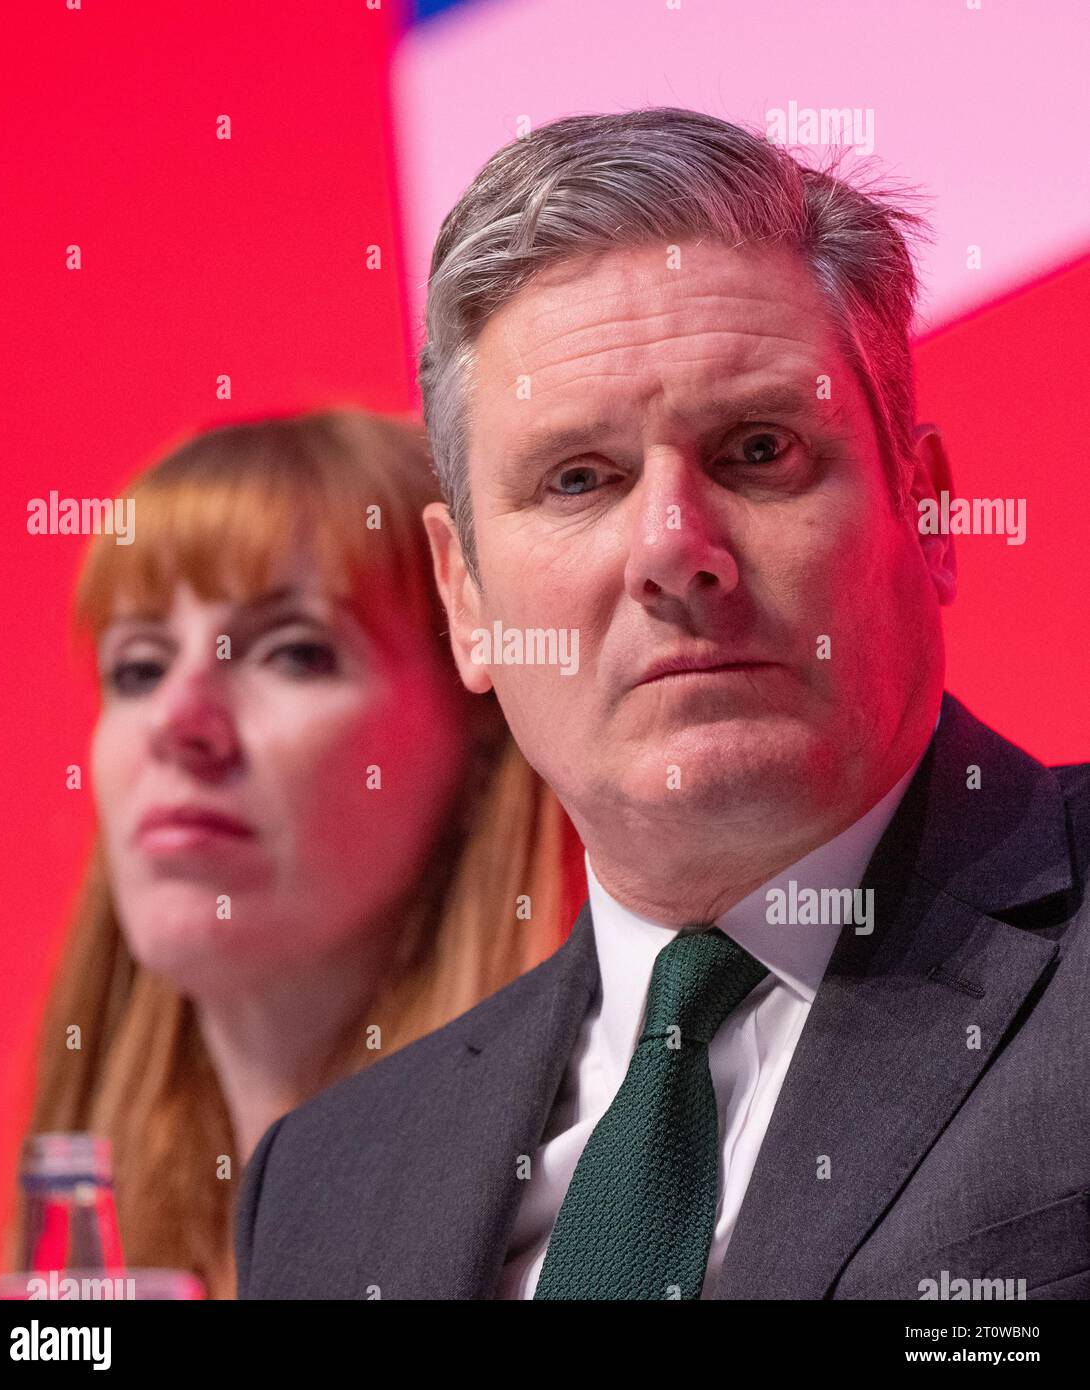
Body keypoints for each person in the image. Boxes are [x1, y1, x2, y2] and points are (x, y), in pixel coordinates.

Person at [235, 111, 1090, 1300]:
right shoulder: (326, 1187)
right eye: (577, 478)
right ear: (465, 597)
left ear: (926, 510)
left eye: (755, 450)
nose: (674, 548)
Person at [8, 407, 583, 1299]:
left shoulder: (581, 1222)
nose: (177, 721)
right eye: (138, 668)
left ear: (483, 739)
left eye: (293, 653)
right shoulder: (81, 1266)